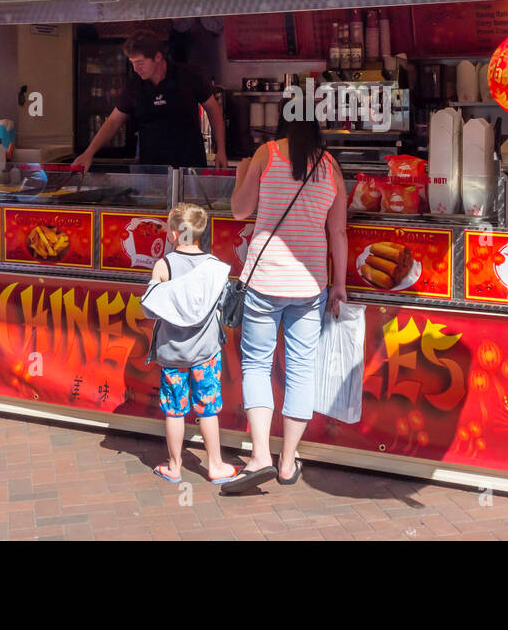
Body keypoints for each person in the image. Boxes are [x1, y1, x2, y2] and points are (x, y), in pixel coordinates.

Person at [220, 117, 348, 493]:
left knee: (257, 364)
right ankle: (288, 462)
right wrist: (338, 284)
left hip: (264, 280)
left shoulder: (266, 154)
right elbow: (337, 231)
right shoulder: (331, 165)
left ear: (282, 125)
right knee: (301, 368)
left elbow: (239, 210)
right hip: (310, 286)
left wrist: (243, 173)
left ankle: (260, 456)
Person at [139, 203, 243, 485]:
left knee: (174, 411)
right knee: (208, 409)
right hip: (206, 353)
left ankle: (174, 466)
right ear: (201, 232)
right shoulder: (215, 267)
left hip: (172, 354)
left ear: (173, 235)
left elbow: (151, 308)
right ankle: (216, 465)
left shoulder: (163, 265)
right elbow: (223, 305)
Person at [72, 30, 226, 171]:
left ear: (158, 57)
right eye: (132, 63)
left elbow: (213, 110)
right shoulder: (134, 85)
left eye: (140, 62)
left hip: (190, 165)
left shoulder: (188, 76)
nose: (135, 68)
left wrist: (221, 151)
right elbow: (113, 121)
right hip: (151, 169)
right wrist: (89, 153)